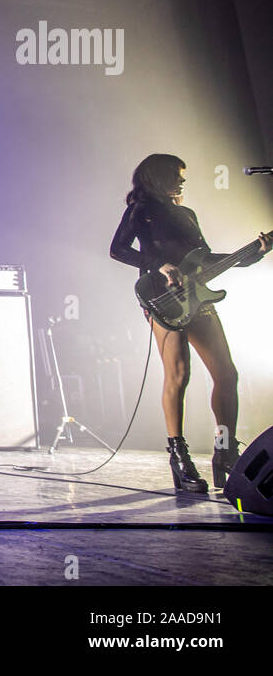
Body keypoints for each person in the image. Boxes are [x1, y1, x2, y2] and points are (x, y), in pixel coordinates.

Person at [110, 153, 269, 493]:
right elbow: (118, 249)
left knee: (227, 374)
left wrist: (253, 253)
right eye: (177, 175)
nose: (183, 181)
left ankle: (225, 451)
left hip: (199, 298)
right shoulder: (142, 210)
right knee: (179, 375)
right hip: (162, 299)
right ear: (158, 176)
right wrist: (160, 265)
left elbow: (207, 258)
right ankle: (179, 457)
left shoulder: (186, 213)